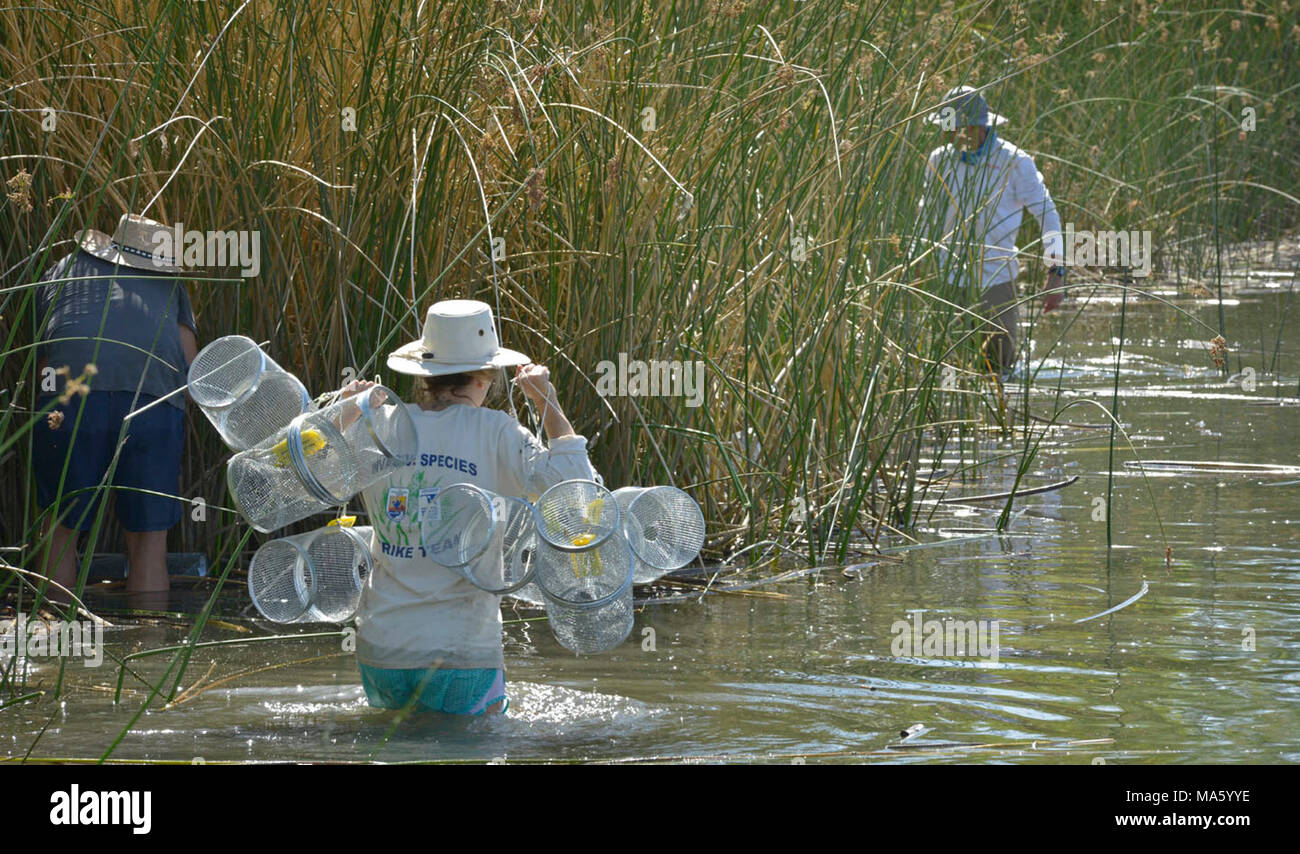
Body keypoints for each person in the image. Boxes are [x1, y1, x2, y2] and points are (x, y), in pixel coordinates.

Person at [343, 299, 600, 716]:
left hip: (381, 650)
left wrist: (345, 409)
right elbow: (578, 494)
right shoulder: (496, 431)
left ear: (424, 377)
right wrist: (546, 400)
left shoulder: (382, 422)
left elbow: (305, 465)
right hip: (461, 653)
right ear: (486, 377)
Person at [32, 213, 199, 596]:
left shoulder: (61, 270)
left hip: (69, 402)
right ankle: (149, 644)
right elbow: (191, 374)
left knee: (61, 530)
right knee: (148, 542)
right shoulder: (169, 281)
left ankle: (56, 643)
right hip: (151, 407)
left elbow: (44, 362)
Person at [917, 85, 1067, 373]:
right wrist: (918, 261)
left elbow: (1047, 215)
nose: (949, 136)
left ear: (977, 126)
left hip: (997, 282)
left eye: (955, 128)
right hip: (948, 282)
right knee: (950, 371)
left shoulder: (1014, 162)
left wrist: (1056, 273)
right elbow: (927, 215)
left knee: (1000, 371)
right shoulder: (939, 159)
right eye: (947, 129)